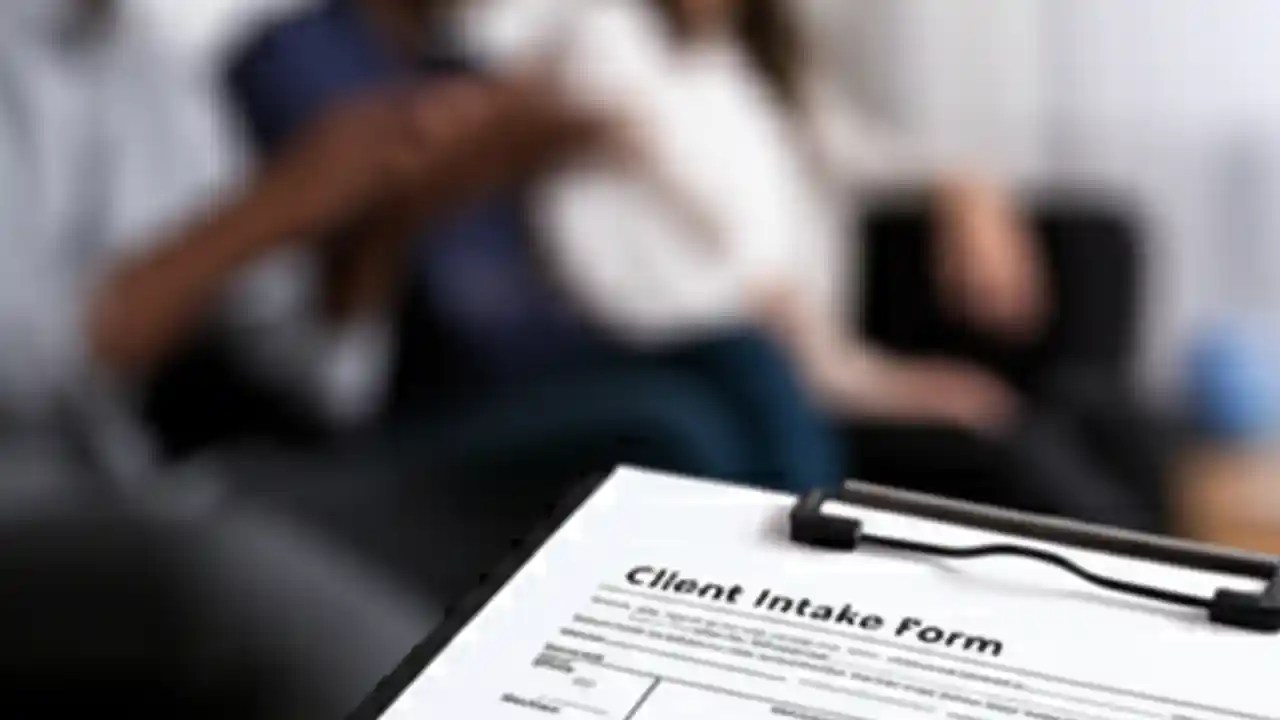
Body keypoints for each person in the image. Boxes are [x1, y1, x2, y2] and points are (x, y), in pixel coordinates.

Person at [470, 0, 1165, 528]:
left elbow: (859, 150)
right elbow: (736, 276)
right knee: (1018, 458)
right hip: (763, 357)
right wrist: (870, 379)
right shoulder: (598, 51)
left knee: (1109, 417)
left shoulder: (739, 72)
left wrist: (968, 188)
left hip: (807, 345)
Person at [228, 0, 845, 493]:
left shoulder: (476, 69)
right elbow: (325, 369)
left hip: (549, 360)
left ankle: (816, 603)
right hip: (427, 401)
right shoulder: (295, 62)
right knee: (673, 425)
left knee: (745, 356)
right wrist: (452, 175)